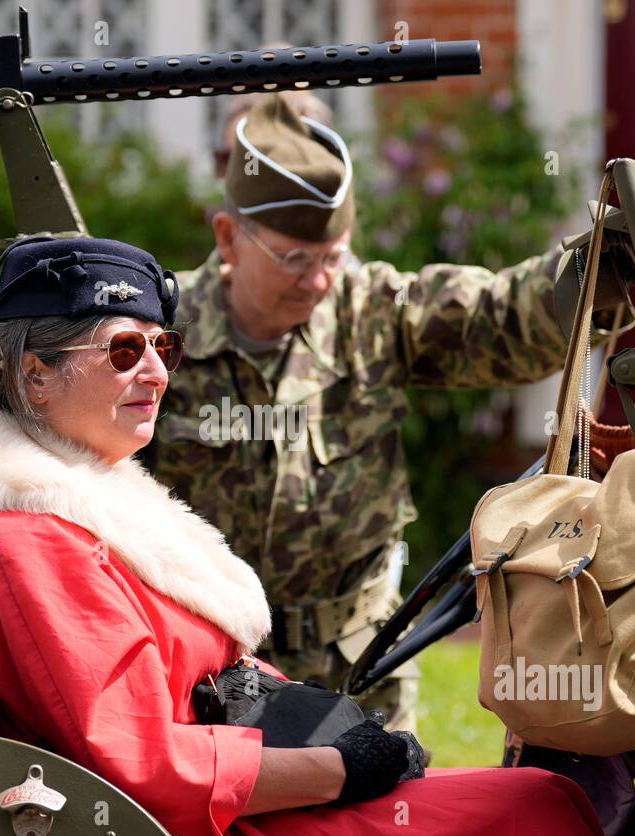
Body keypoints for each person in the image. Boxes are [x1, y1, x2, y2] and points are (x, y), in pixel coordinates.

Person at [0, 235, 614, 836]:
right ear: (34, 376)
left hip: (244, 801)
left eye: (163, 347)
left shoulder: (91, 517)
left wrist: (340, 732)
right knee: (538, 806)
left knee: (543, 794)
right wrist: (340, 766)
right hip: (208, 828)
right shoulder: (32, 541)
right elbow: (144, 765)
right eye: (123, 349)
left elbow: (212, 681)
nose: (158, 372)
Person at [142, 92, 591, 731]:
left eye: (333, 256)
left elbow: (499, 316)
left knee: (380, 829)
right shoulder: (158, 340)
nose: (320, 280)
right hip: (210, 665)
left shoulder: (373, 310)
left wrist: (594, 270)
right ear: (228, 237)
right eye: (295, 259)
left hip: (357, 665)